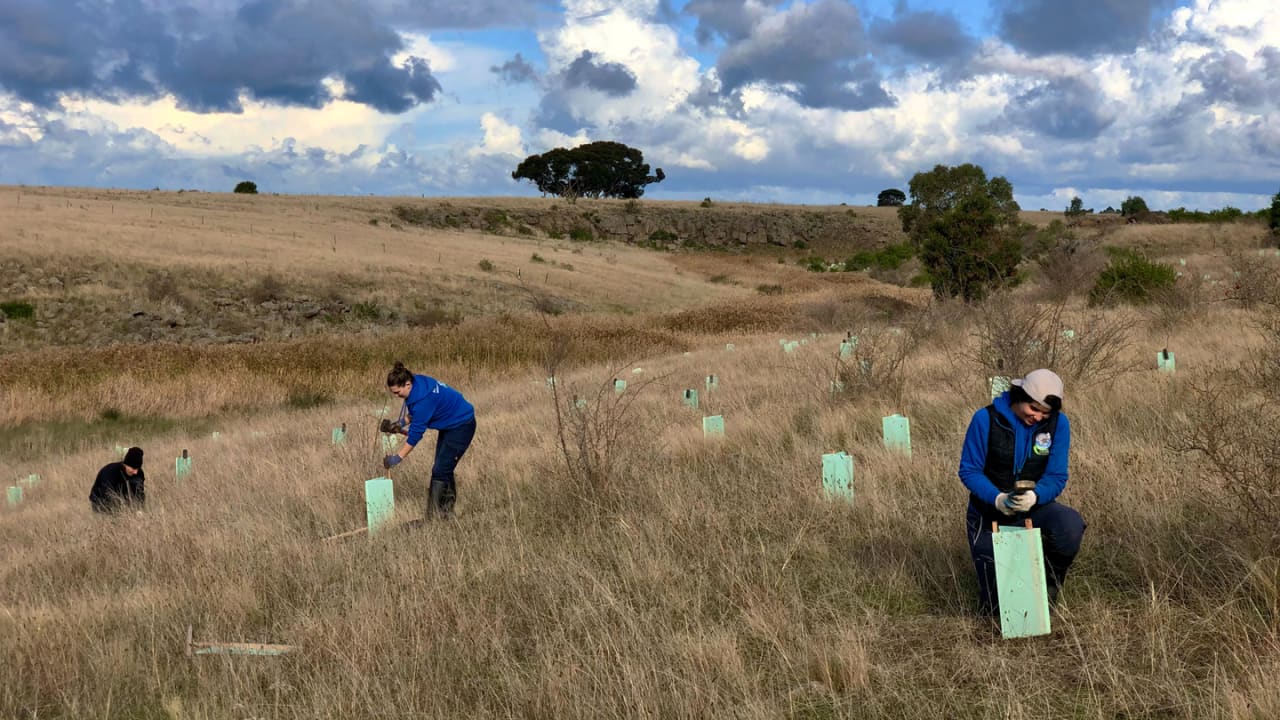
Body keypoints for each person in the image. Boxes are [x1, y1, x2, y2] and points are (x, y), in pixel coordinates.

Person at [958, 368, 1085, 615]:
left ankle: (1045, 590)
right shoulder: (985, 419)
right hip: (988, 511)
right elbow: (969, 471)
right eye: (1033, 409)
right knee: (999, 610)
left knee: (1069, 526)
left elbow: (1057, 475)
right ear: (1019, 396)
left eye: (1045, 413)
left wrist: (1035, 496)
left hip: (1035, 508)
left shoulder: (1059, 425)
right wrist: (998, 499)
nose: (1038, 417)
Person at [383, 361, 477, 519]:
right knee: (444, 467)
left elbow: (414, 436)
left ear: (407, 384)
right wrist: (400, 424)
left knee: (440, 471)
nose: (396, 396)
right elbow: (416, 413)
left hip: (462, 425)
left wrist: (397, 458)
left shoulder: (423, 400)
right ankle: (446, 513)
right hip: (450, 424)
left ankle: (432, 518)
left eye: (398, 392)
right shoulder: (417, 383)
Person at [89, 446, 146, 514]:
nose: (135, 472)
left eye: (137, 468)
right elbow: (107, 495)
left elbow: (139, 493)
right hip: (100, 504)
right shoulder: (109, 472)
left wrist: (139, 509)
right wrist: (122, 510)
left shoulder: (139, 474)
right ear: (125, 464)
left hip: (123, 505)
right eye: (133, 468)